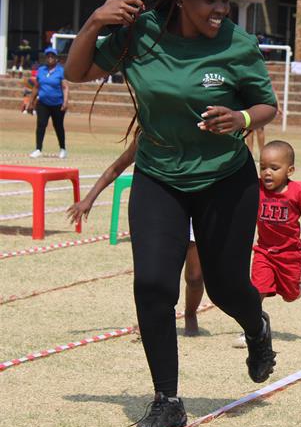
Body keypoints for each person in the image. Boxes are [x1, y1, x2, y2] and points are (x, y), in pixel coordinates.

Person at [64, 0, 280, 427]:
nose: (221, 8)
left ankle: (256, 326)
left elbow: (266, 105)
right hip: (159, 174)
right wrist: (94, 22)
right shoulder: (141, 34)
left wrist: (240, 118)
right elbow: (76, 72)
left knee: (224, 287)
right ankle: (168, 400)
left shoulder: (238, 44)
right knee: (152, 284)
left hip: (225, 179)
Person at [65, 141, 205, 336]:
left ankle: (190, 313)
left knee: (195, 277)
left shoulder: (193, 129)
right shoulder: (147, 136)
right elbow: (116, 168)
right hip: (163, 211)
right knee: (156, 274)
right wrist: (88, 199)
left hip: (196, 208)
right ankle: (153, 320)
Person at [234, 140, 301, 347]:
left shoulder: (297, 193)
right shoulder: (256, 189)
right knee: (256, 289)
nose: (267, 173)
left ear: (290, 170)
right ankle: (252, 329)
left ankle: (296, 287)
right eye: (263, 167)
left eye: (274, 168)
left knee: (290, 295)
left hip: (290, 255)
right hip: (264, 252)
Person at [27, 47, 69, 159]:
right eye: (48, 56)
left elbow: (65, 87)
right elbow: (36, 87)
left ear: (56, 58)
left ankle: (63, 149)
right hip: (43, 103)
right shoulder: (41, 70)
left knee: (58, 126)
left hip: (57, 103)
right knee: (41, 125)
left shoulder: (60, 71)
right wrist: (31, 101)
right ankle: (38, 149)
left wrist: (65, 101)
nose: (50, 58)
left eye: (52, 56)